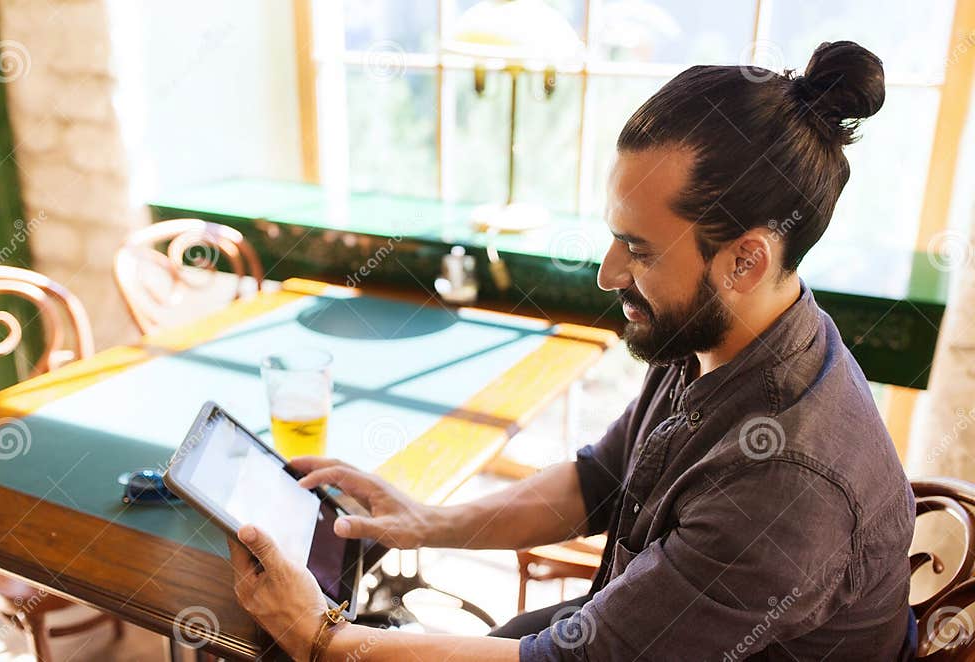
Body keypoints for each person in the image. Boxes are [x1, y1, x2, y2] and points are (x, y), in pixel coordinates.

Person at [227, 40, 916, 661]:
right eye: (616, 237)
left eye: (639, 250)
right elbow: (599, 481)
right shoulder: (717, 332)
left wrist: (323, 639)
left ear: (745, 260)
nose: (608, 274)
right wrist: (423, 522)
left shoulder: (787, 485)